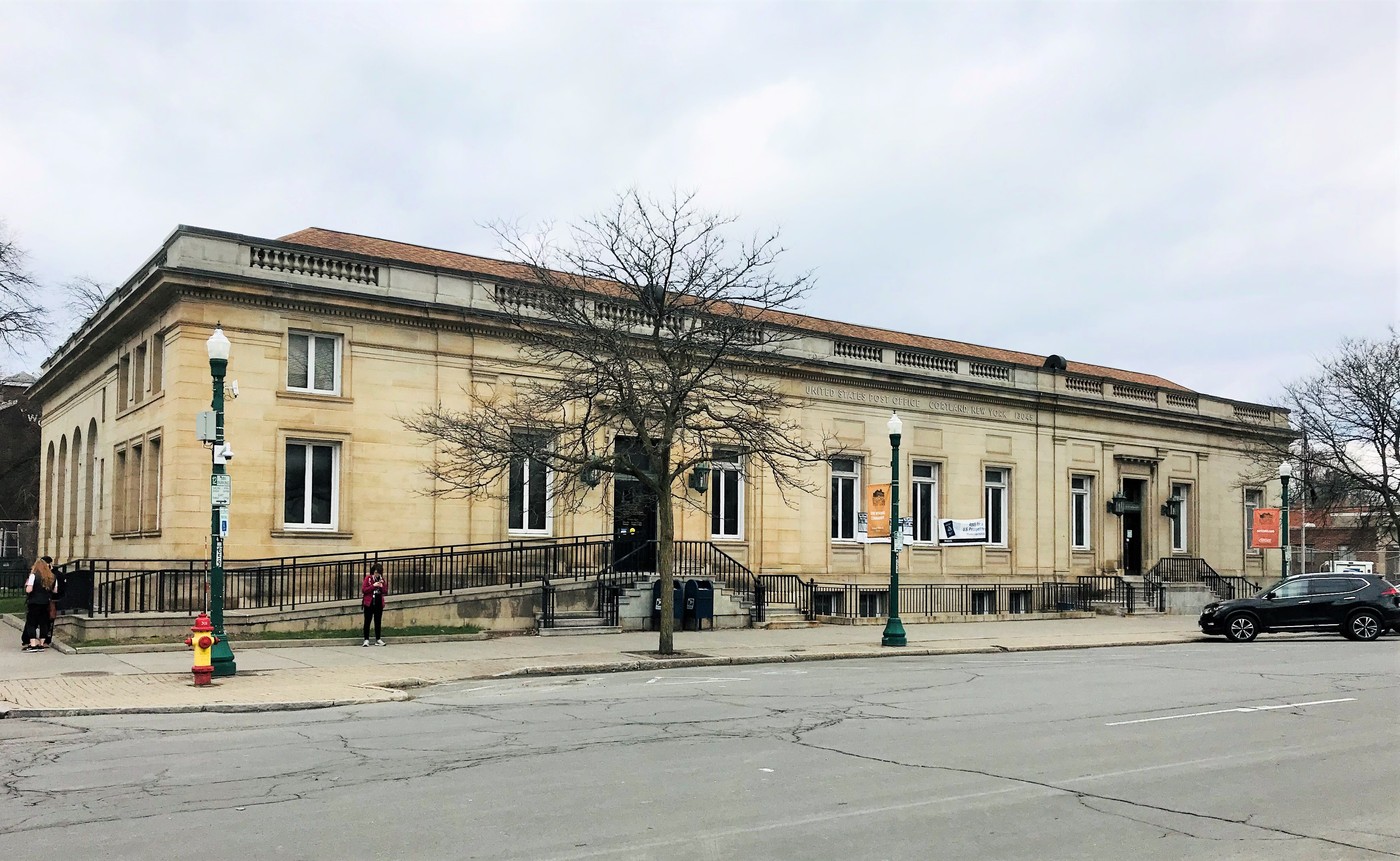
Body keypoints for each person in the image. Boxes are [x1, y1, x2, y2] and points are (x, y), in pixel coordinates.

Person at [22, 557, 56, 652]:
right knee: (43, 622)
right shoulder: (51, 576)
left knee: (31, 622)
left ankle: (33, 644)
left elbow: (29, 589)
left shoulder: (33, 576)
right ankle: (41, 644)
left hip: (34, 602)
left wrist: (27, 585)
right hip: (45, 602)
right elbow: (55, 590)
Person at [361, 562, 387, 647]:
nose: (377, 574)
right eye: (375, 572)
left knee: (378, 621)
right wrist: (373, 585)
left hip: (378, 602)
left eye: (378, 573)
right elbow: (364, 590)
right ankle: (366, 639)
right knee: (367, 621)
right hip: (369, 602)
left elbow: (385, 591)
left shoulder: (381, 579)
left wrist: (381, 585)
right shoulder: (368, 578)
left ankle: (378, 639)